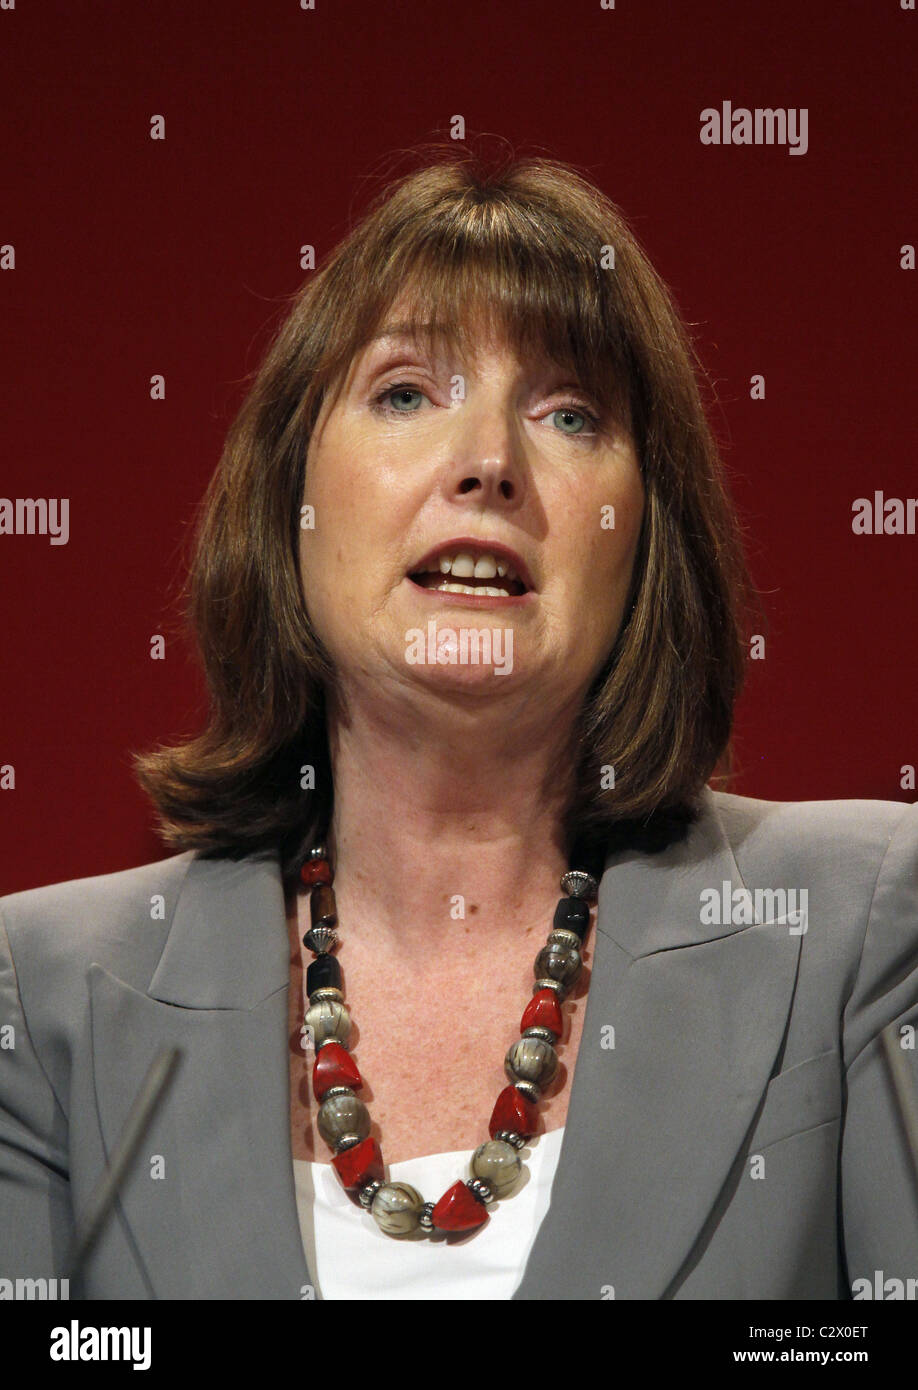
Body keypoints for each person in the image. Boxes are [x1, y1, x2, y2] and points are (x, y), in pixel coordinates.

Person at [1, 149, 916, 1301]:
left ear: (642, 533)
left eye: (571, 412)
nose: (489, 463)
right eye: (405, 393)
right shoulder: (39, 1002)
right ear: (293, 499)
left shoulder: (861, 930)